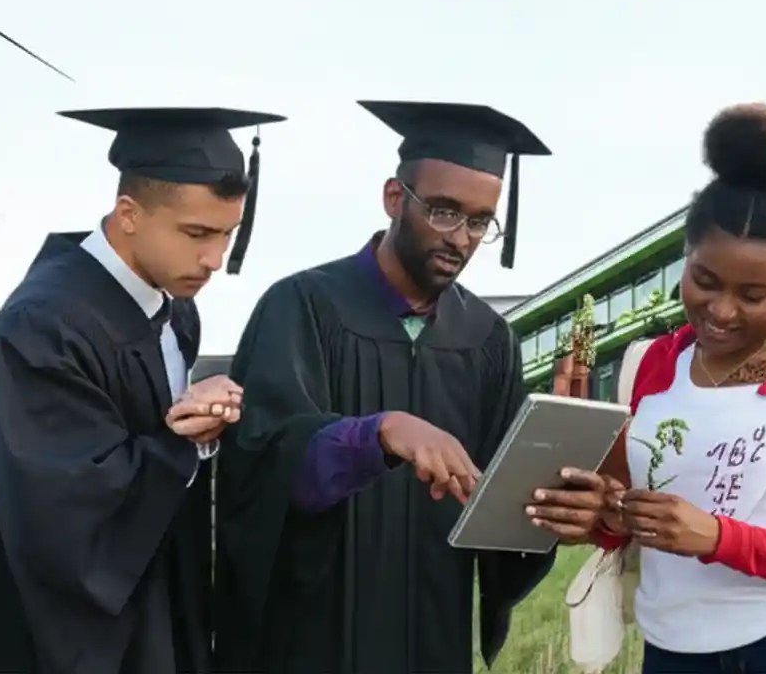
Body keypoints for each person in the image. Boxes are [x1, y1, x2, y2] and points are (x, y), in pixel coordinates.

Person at [211, 100, 608, 674]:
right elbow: (261, 464)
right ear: (395, 198)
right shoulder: (302, 307)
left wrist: (558, 510)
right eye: (444, 212)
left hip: (432, 630)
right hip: (313, 639)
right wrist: (376, 434)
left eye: (479, 221)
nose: (462, 238)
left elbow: (500, 507)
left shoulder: (488, 339)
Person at [0, 106, 285, 674]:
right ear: (129, 214)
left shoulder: (175, 312)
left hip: (161, 608)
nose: (215, 259)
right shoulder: (42, 327)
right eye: (197, 233)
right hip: (71, 644)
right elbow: (62, 516)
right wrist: (182, 445)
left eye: (227, 234)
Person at [589, 103, 766, 673]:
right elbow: (621, 515)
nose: (720, 311)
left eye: (753, 296)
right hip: (673, 652)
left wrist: (719, 537)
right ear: (686, 257)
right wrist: (604, 514)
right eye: (704, 281)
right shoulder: (653, 363)